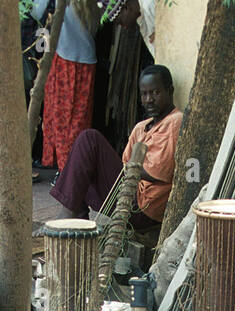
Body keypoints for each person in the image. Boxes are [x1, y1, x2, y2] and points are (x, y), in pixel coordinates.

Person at [49, 64, 182, 229]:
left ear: (170, 91)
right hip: (129, 193)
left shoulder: (175, 121)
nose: (149, 100)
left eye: (155, 92)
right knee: (80, 167)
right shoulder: (142, 127)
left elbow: (159, 170)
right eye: (144, 94)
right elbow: (127, 164)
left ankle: (66, 217)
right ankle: (76, 223)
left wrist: (115, 168)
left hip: (142, 207)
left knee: (89, 139)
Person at [37, 0, 101, 173]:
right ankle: (74, 170)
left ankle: (65, 171)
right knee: (79, 122)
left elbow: (37, 14)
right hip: (87, 58)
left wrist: (39, 48)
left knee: (60, 120)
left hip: (63, 58)